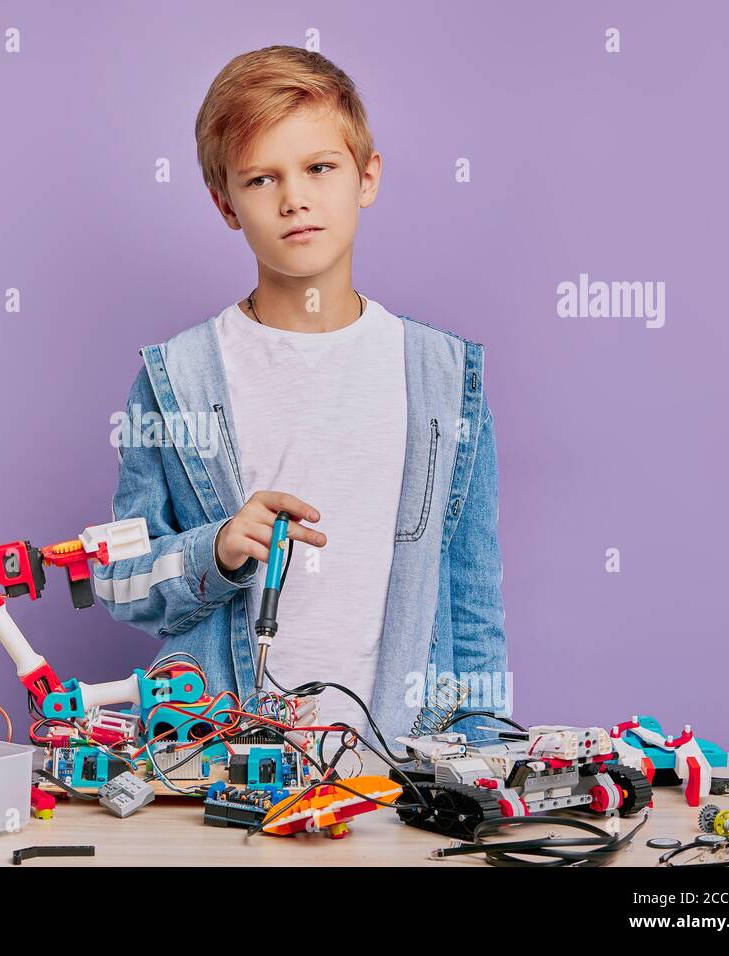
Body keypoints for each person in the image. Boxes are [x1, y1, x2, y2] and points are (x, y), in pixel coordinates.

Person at [92, 45, 512, 752]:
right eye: (262, 179)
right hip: (225, 763)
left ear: (366, 177)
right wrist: (218, 550)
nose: (295, 198)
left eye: (320, 168)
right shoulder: (175, 380)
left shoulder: (442, 375)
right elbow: (119, 583)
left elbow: (472, 602)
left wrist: (485, 763)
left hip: (397, 772)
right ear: (226, 204)